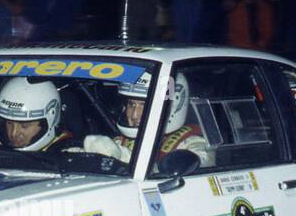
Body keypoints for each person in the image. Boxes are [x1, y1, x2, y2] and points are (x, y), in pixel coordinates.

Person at [82, 70, 212, 167]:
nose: (134, 115)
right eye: (131, 104)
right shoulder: (121, 141)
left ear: (173, 105)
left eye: (144, 105)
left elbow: (199, 165)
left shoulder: (193, 143)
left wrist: (121, 155)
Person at [0, 76, 70, 152]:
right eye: (9, 123)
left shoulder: (68, 154)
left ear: (51, 118)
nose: (14, 134)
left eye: (24, 126)